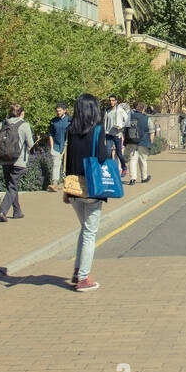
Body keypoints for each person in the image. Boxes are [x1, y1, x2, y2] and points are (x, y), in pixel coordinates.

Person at [62, 93, 109, 292]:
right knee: (90, 232)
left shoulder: (71, 130)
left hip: (73, 187)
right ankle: (83, 278)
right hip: (91, 187)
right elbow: (101, 156)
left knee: (84, 228)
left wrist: (65, 188)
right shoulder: (97, 130)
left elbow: (68, 159)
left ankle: (77, 270)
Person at [0, 102, 34, 221]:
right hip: (19, 160)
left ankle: (17, 211)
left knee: (11, 186)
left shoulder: (3, 123)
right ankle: (3, 211)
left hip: (5, 159)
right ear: (22, 113)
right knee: (12, 186)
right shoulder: (25, 125)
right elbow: (30, 143)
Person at [41, 103, 70, 191]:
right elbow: (50, 134)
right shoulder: (53, 121)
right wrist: (52, 147)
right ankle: (54, 183)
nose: (58, 112)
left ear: (64, 110)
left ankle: (69, 183)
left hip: (67, 146)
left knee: (69, 165)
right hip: (56, 146)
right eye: (57, 111)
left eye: (60, 110)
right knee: (56, 164)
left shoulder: (70, 120)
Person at [125, 102, 152, 185]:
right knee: (143, 160)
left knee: (132, 160)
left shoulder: (129, 117)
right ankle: (144, 177)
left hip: (131, 141)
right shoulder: (146, 118)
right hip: (143, 142)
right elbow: (152, 130)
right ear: (143, 109)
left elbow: (125, 129)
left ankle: (132, 178)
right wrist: (151, 142)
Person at [104, 94, 129, 175]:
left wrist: (121, 126)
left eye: (113, 100)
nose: (111, 102)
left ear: (116, 101)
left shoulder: (120, 110)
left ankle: (124, 168)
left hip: (117, 134)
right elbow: (105, 122)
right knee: (108, 153)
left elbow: (127, 120)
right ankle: (111, 169)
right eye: (110, 100)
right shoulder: (107, 110)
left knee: (119, 153)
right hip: (108, 134)